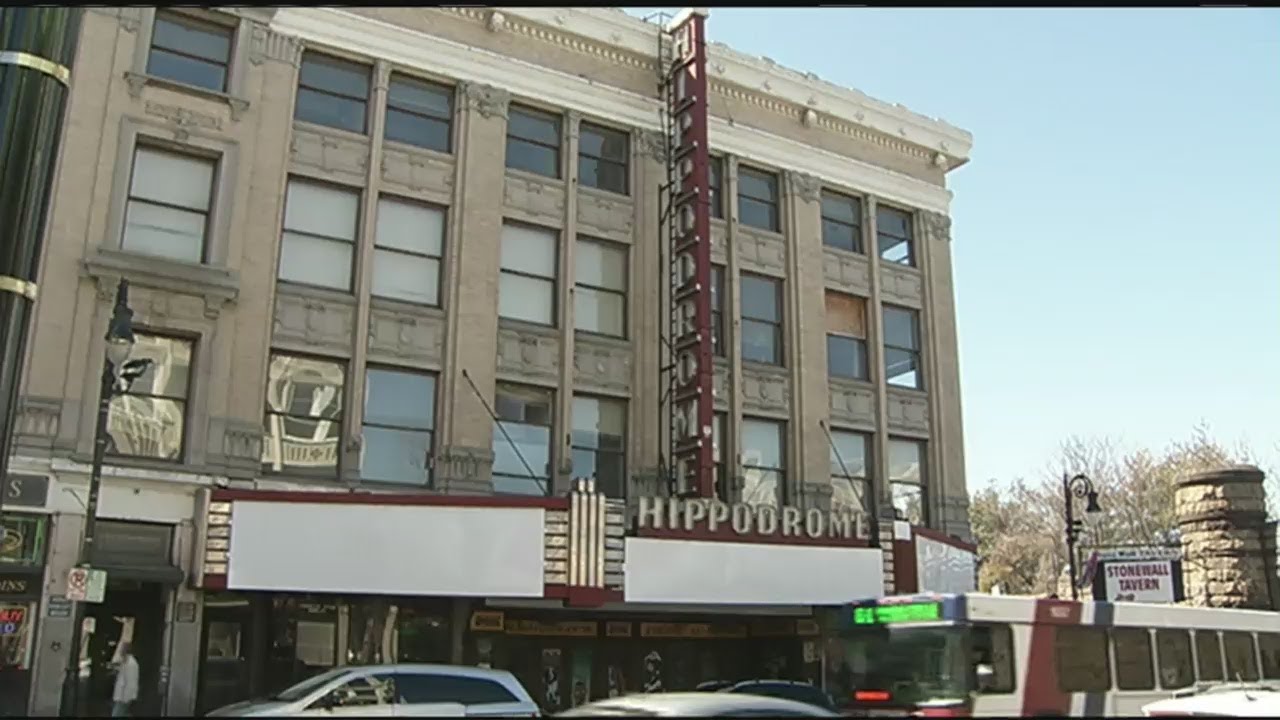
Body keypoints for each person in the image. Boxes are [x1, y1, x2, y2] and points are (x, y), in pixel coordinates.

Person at [112, 642, 139, 718]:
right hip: (121, 696)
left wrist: (125, 699)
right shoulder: (125, 662)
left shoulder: (131, 664)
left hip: (124, 698)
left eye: (121, 649)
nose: (119, 651)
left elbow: (131, 682)